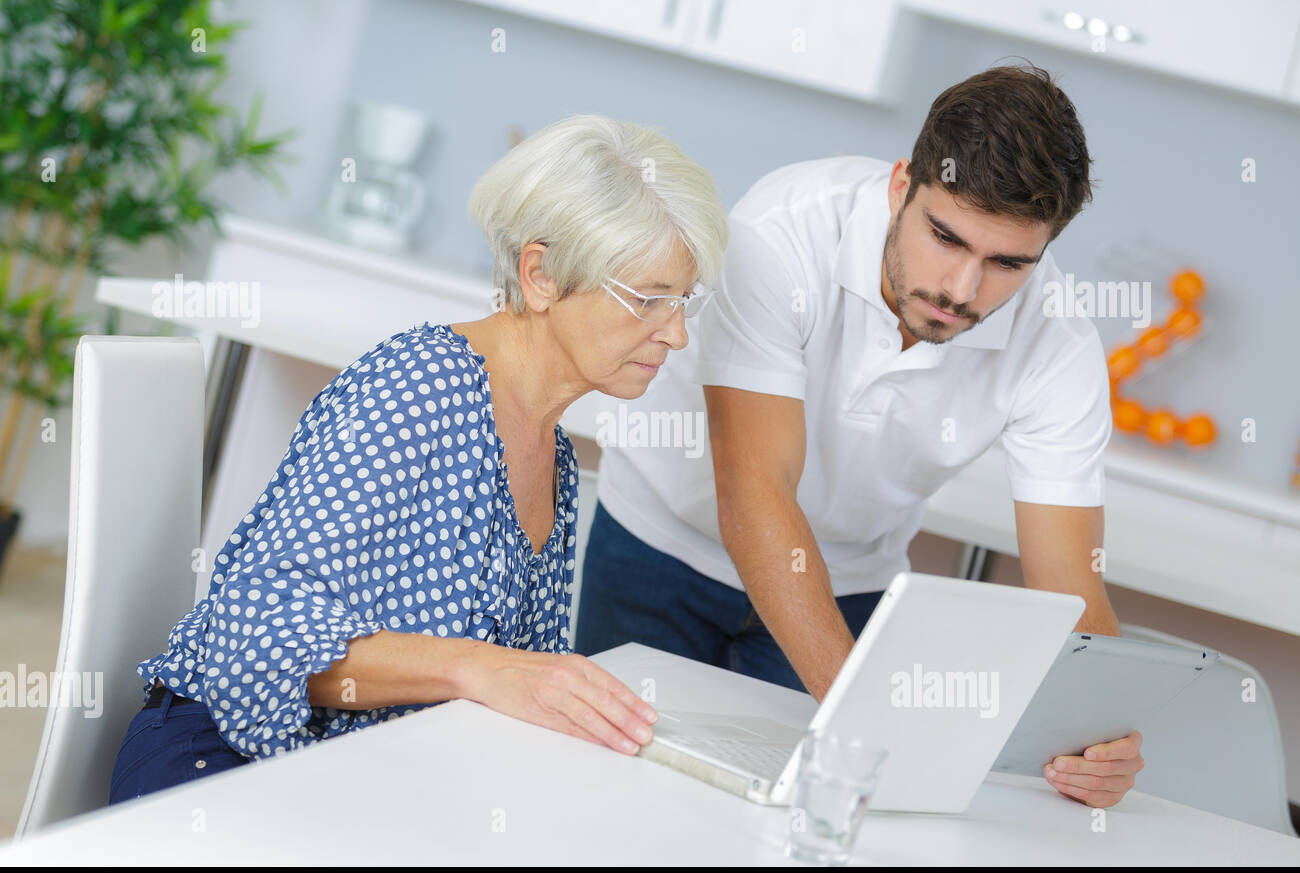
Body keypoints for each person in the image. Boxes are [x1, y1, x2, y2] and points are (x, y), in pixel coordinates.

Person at [109, 114, 729, 803]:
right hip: (228, 755)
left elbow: (512, 690)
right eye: (649, 299)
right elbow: (252, 629)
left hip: (368, 773)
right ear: (543, 275)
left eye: (683, 302)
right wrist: (477, 668)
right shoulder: (415, 388)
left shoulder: (549, 450)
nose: (674, 333)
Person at [576, 64, 1145, 809]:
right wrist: (867, 720)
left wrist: (1104, 730)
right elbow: (756, 495)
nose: (961, 290)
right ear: (902, 183)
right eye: (946, 237)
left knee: (783, 828)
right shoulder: (784, 230)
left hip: (848, 586)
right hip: (659, 549)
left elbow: (1072, 590)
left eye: (1007, 263)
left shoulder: (1059, 345)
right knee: (601, 797)